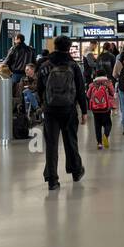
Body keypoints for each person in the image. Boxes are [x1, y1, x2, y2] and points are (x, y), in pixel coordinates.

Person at [36, 34, 87, 188]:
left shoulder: (45, 66)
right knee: (70, 140)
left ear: (55, 47)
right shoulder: (73, 66)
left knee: (51, 144)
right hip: (69, 109)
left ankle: (52, 179)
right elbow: (80, 90)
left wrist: (44, 104)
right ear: (69, 47)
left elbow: (39, 89)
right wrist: (84, 111)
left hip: (50, 110)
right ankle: (76, 171)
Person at [86, 67, 117, 149]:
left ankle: (99, 143)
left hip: (95, 109)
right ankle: (105, 135)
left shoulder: (93, 84)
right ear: (105, 75)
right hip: (106, 108)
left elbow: (88, 95)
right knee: (108, 123)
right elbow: (113, 93)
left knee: (97, 125)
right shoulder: (108, 83)